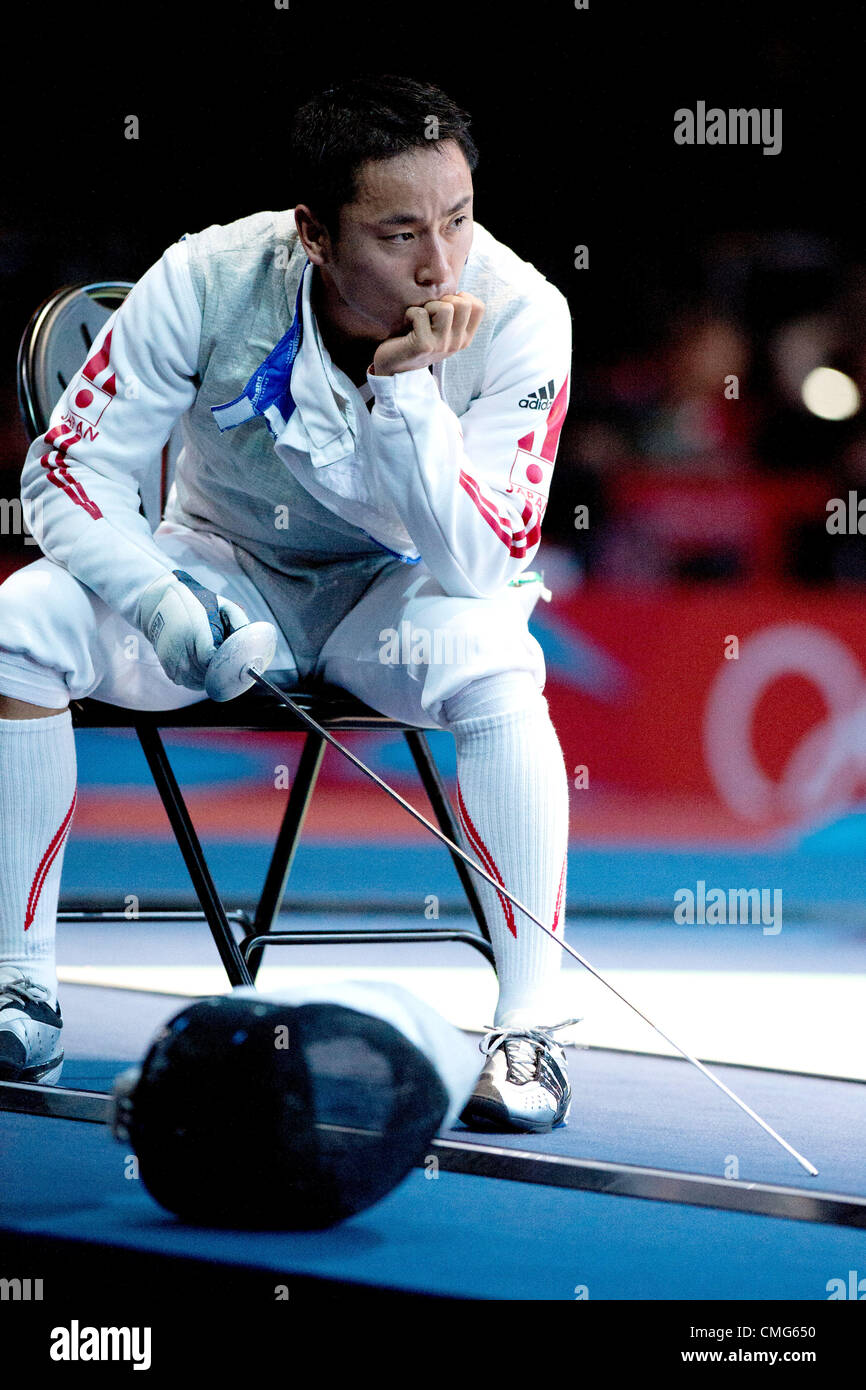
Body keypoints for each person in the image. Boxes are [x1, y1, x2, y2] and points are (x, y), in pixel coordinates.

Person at [0, 74, 574, 1132]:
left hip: (399, 598)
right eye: (399, 233)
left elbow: (479, 568)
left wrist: (406, 395)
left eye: (456, 219)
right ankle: (19, 985)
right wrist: (169, 606)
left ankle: (527, 1031)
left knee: (499, 659)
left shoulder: (524, 314)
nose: (439, 263)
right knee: (17, 627)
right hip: (219, 568)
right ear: (313, 229)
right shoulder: (205, 278)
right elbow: (67, 480)